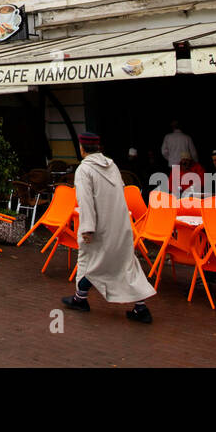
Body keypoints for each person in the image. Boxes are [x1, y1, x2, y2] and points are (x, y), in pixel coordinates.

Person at [62, 133, 156, 323]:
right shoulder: (112, 166)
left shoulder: (83, 170)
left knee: (92, 264)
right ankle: (140, 307)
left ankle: (80, 299)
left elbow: (85, 201)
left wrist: (87, 228)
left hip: (99, 227)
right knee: (125, 266)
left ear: (82, 149)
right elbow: (120, 193)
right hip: (120, 225)